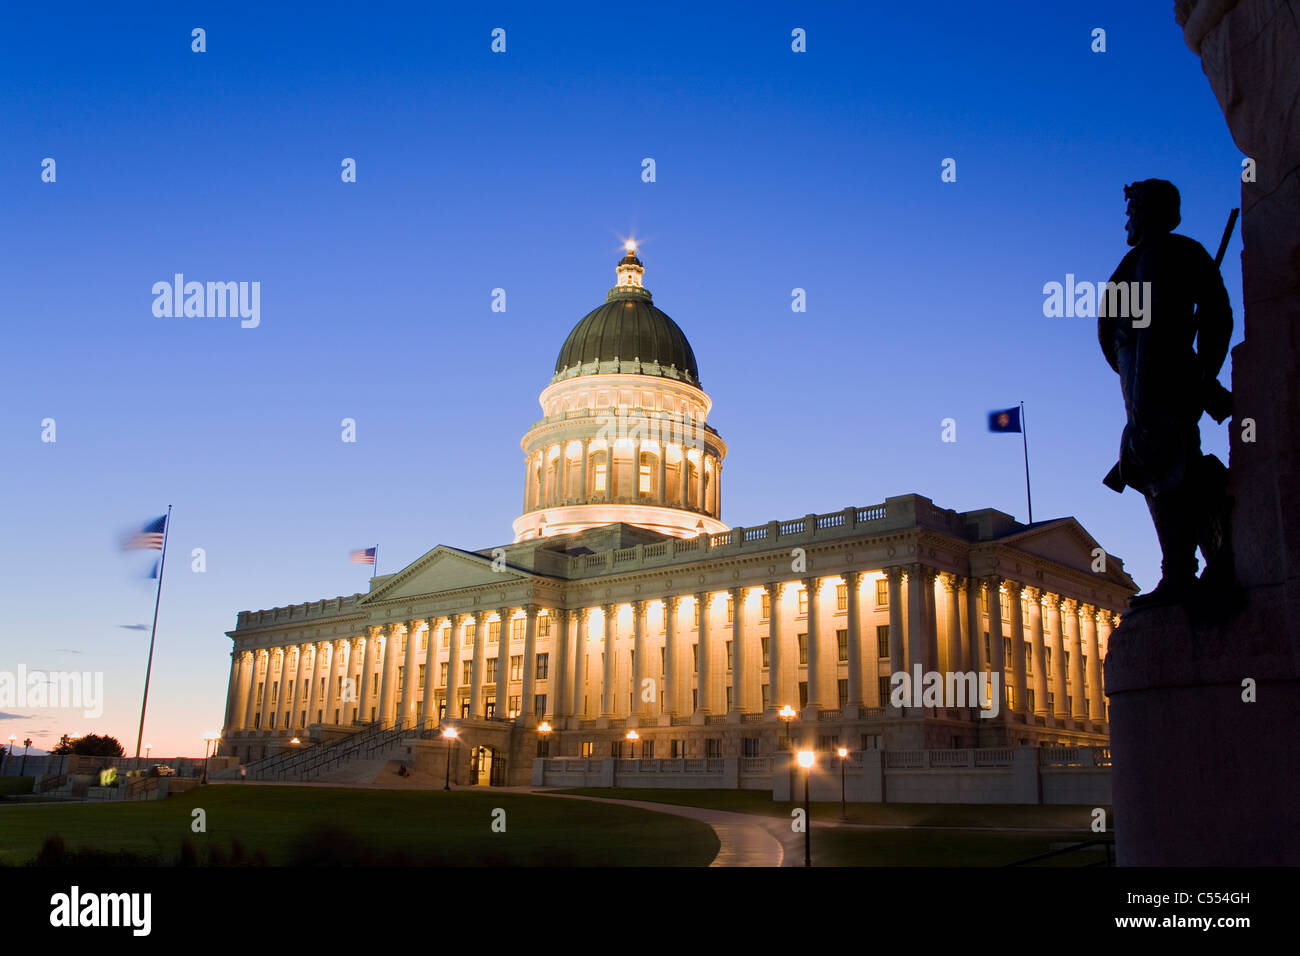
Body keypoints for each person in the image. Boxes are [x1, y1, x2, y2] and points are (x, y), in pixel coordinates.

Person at [1098, 179, 1238, 613]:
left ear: (1148, 212)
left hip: (1152, 377)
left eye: (1132, 209)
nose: (1127, 218)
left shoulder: (1158, 256)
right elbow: (1218, 317)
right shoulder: (1158, 256)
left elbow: (1160, 331)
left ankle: (1183, 569)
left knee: (1160, 463)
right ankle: (1185, 565)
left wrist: (1198, 372)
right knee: (1162, 465)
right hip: (1147, 374)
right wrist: (1202, 368)